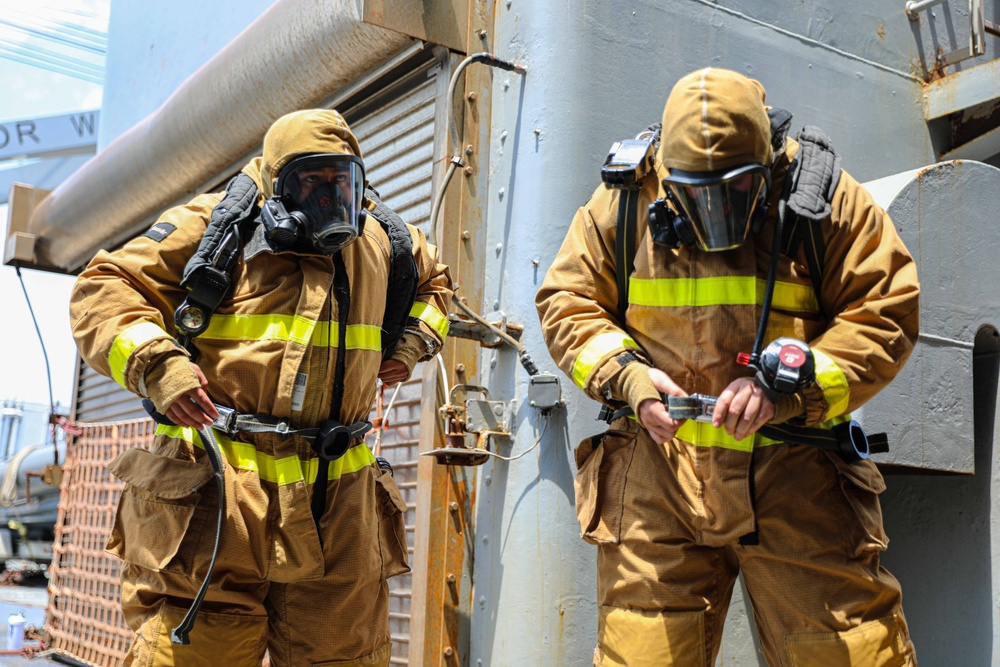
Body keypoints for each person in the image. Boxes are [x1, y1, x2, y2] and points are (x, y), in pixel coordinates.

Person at [535, 68, 920, 666]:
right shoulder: (626, 198)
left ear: (768, 166)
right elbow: (568, 302)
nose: (717, 210)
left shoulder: (822, 198)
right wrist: (631, 379)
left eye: (738, 191)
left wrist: (793, 386)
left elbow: (886, 310)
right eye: (697, 195)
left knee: (849, 654)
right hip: (657, 481)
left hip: (796, 478)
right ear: (668, 178)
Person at [70, 108, 453, 666]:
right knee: (202, 654)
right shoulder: (216, 228)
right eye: (311, 181)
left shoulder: (384, 242)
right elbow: (103, 287)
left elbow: (437, 287)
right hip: (217, 500)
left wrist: (412, 343)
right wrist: (158, 366)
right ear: (277, 184)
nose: (330, 196)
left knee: (343, 657)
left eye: (341, 181)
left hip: (338, 509)